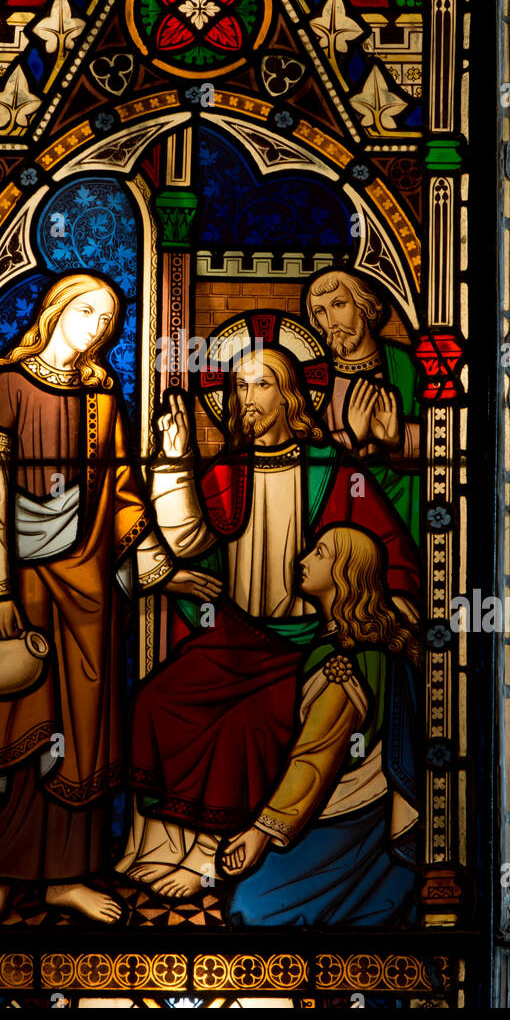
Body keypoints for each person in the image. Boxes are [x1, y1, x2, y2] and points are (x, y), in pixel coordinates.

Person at [117, 345, 419, 898]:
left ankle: (209, 858)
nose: (246, 400)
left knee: (248, 723)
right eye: (238, 388)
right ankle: (158, 847)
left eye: (259, 386)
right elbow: (190, 540)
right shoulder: (228, 470)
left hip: (305, 644)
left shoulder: (331, 469)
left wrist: (394, 606)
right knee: (155, 700)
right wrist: (173, 462)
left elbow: (389, 546)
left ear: (290, 396)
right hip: (235, 636)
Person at [0, 272, 212, 924]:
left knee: (82, 732)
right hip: (22, 582)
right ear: (55, 311)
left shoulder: (102, 393)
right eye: (87, 310)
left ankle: (65, 876)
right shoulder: (8, 388)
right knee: (17, 714)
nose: (98, 325)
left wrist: (155, 562)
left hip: (91, 589)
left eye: (109, 318)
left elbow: (123, 489)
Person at [223, 523, 421, 927]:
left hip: (350, 826)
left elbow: (315, 760)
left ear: (346, 571)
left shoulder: (344, 662)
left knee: (250, 910)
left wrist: (261, 833)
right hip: (363, 821)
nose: (303, 559)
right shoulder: (353, 647)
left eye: (320, 553)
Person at [305, 270, 419, 534]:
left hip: (399, 506)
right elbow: (297, 453)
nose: (331, 321)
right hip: (334, 510)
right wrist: (349, 437)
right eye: (320, 312)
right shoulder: (311, 379)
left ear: (364, 306)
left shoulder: (408, 367)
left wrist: (400, 438)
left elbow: (447, 435)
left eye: (338, 304)